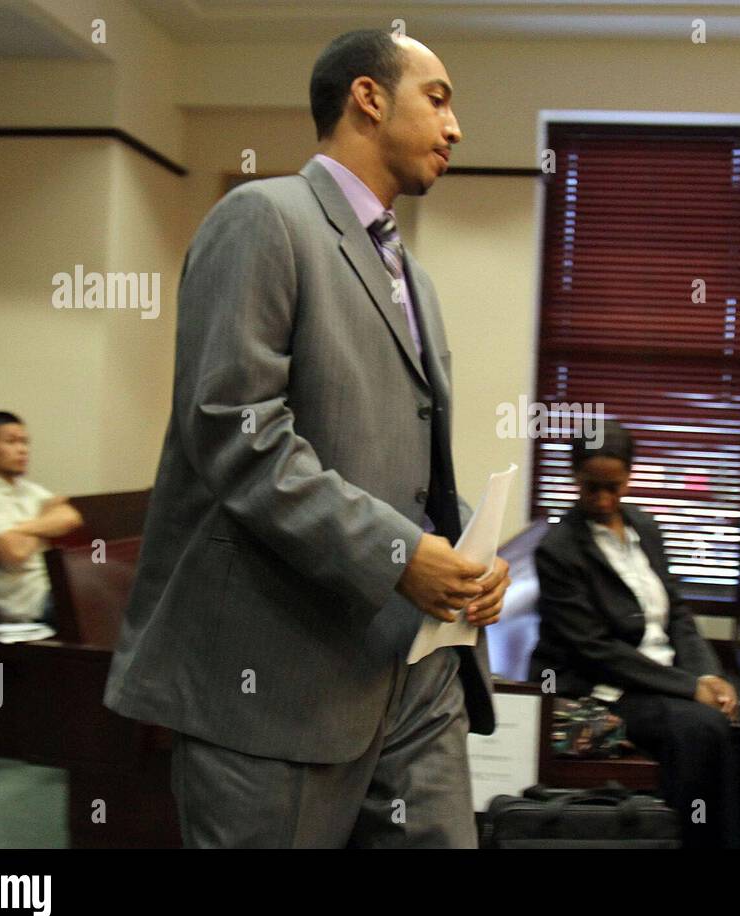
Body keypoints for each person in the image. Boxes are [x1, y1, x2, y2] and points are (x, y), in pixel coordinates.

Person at [104, 29, 511, 848]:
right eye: (438, 97)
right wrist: (402, 556)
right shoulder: (262, 219)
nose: (456, 125)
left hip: (415, 672)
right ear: (368, 98)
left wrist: (464, 551)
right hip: (277, 676)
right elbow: (238, 436)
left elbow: (404, 466)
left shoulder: (416, 280)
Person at [530, 420, 740, 848]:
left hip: (662, 678)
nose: (602, 499)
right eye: (590, 487)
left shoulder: (644, 528)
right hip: (602, 687)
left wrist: (709, 676)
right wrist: (691, 688)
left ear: (629, 476)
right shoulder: (559, 549)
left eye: (613, 487)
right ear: (574, 478)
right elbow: (594, 649)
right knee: (700, 729)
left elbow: (678, 615)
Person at [0, 411, 82, 623]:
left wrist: (21, 530)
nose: (22, 450)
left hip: (59, 587)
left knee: (128, 589)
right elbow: (16, 552)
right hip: (31, 604)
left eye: (25, 442)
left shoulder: (28, 489)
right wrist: (45, 518)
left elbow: (71, 517)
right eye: (11, 442)